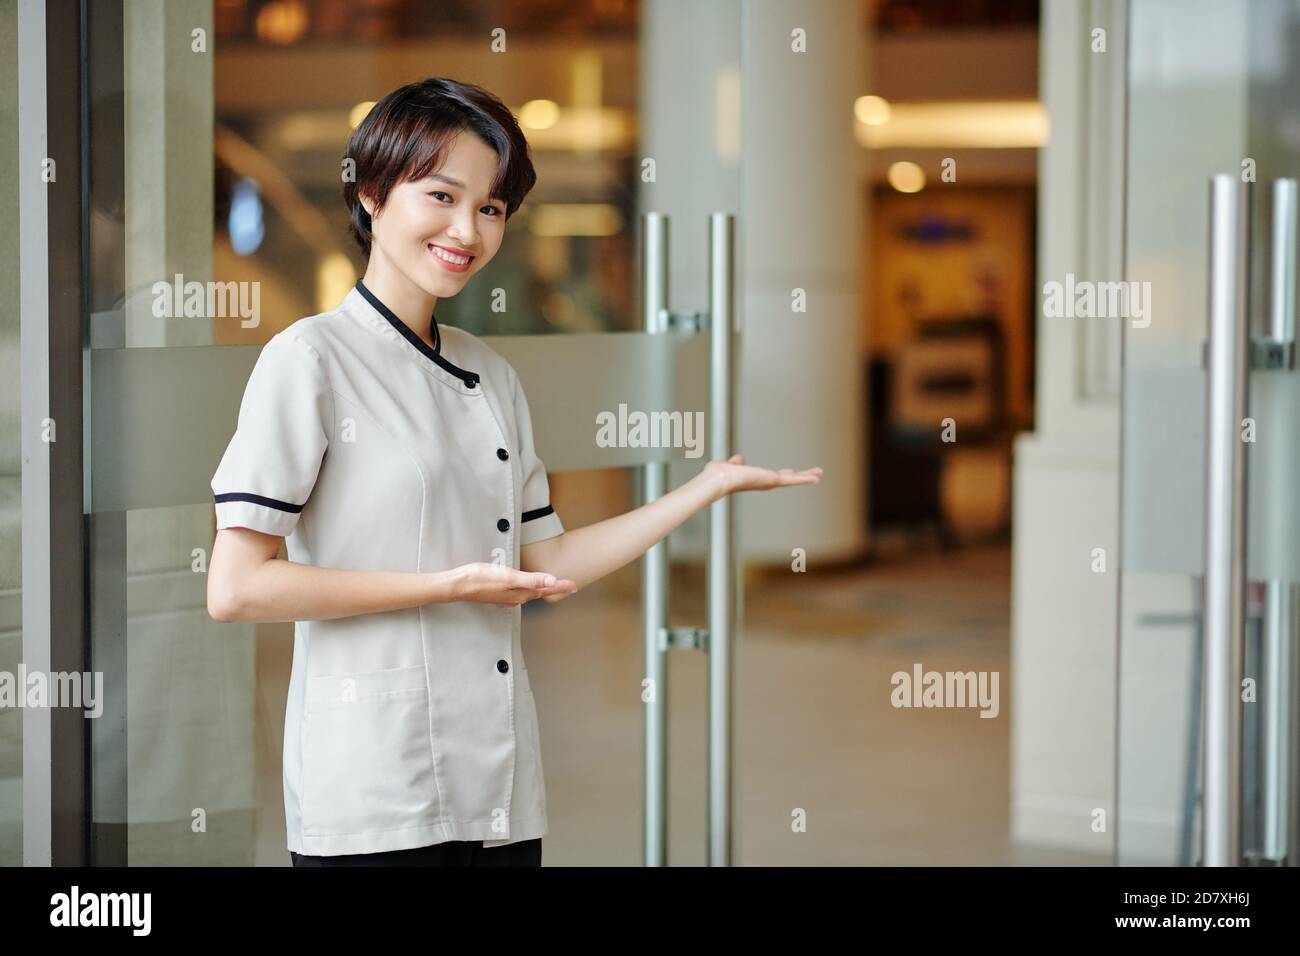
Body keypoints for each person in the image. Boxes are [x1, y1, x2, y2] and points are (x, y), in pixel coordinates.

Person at [206, 76, 822, 868]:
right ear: (370, 193)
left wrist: (703, 489)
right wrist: (444, 587)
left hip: (497, 785)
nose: (467, 230)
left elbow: (545, 562)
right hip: (371, 787)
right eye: (442, 196)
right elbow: (237, 588)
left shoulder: (491, 374)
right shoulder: (309, 359)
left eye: (492, 208)